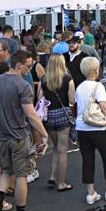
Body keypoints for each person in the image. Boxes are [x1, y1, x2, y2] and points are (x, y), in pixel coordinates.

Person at [0, 51, 46, 211]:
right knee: (21, 176)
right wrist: (43, 133)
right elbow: (30, 114)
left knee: (6, 171)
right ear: (19, 65)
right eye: (28, 66)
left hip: (0, 135)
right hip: (18, 135)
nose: (29, 69)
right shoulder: (23, 85)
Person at [74, 56, 106, 206]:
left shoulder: (79, 87)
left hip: (82, 127)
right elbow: (104, 108)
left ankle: (91, 193)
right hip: (98, 127)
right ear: (96, 70)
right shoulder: (98, 86)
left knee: (87, 159)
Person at [40, 51, 75, 192]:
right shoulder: (67, 79)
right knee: (63, 151)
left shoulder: (44, 79)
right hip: (63, 114)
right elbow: (72, 100)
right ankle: (61, 183)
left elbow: (40, 98)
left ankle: (52, 176)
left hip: (49, 116)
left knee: (55, 146)